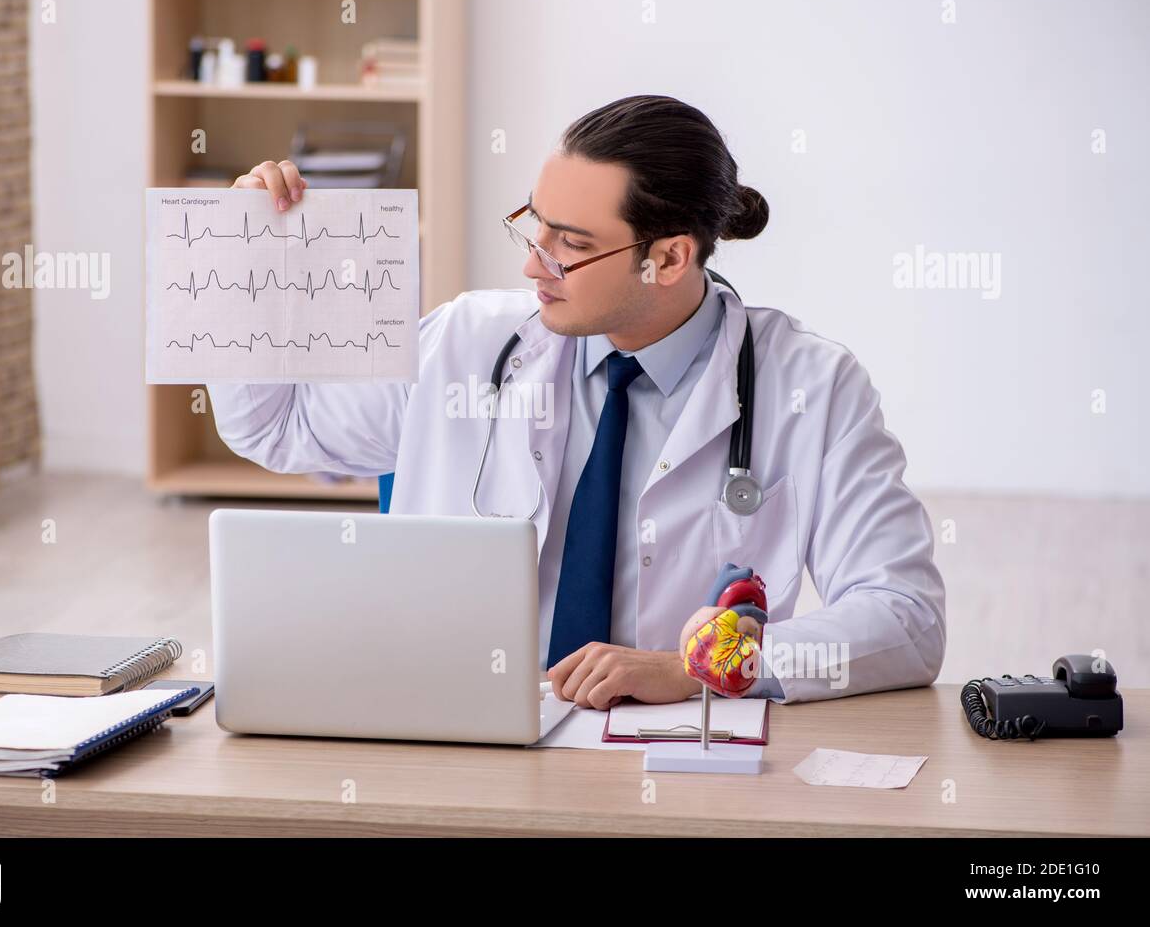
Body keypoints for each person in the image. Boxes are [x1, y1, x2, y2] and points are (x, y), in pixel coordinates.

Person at [208, 94, 946, 709]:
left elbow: (907, 617)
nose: (533, 262)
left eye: (568, 242)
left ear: (668, 257)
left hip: (667, 758)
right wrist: (244, 254)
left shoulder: (810, 387)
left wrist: (700, 668)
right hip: (464, 731)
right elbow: (277, 426)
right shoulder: (468, 345)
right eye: (534, 224)